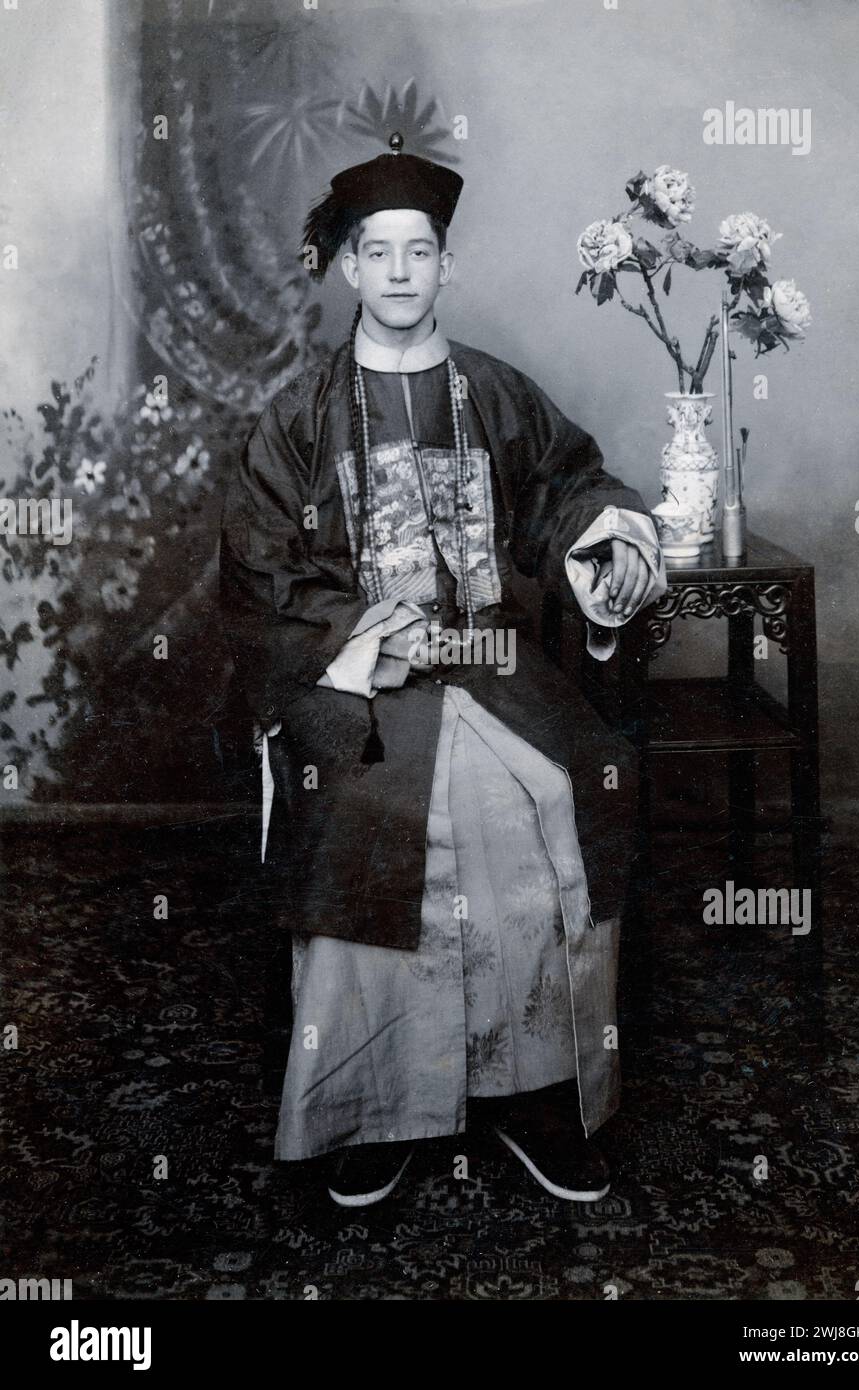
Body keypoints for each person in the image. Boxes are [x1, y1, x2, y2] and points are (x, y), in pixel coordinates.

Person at [219, 132, 666, 1208]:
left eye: (421, 251)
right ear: (348, 268)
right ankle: (375, 1106)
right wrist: (367, 640)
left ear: (447, 266)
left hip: (500, 668)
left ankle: (540, 1092)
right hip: (366, 684)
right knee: (387, 810)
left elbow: (573, 487)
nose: (402, 272)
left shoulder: (498, 394)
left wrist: (606, 548)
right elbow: (265, 572)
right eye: (379, 252)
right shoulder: (297, 418)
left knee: (564, 790)